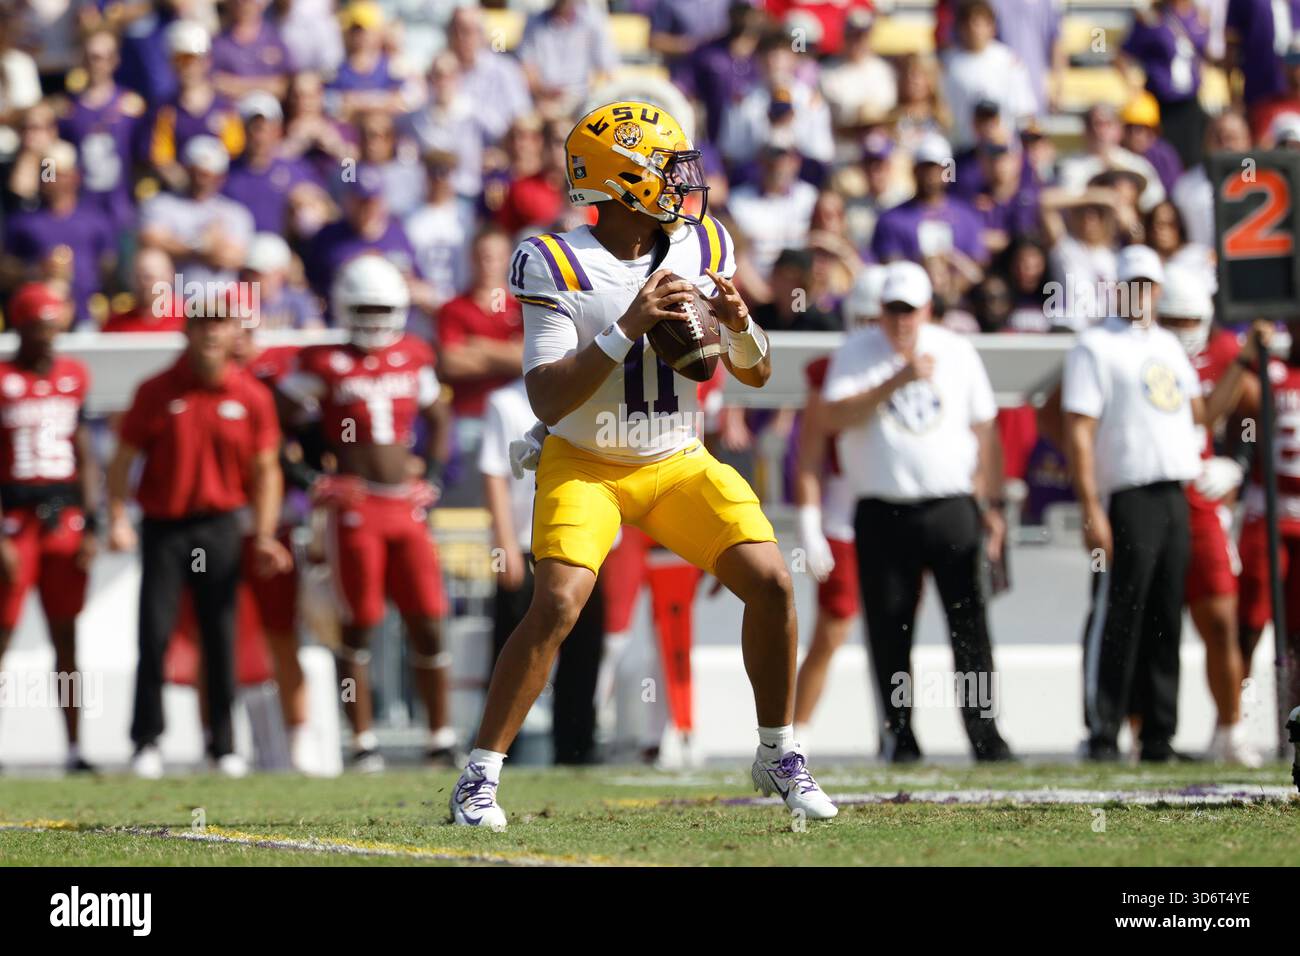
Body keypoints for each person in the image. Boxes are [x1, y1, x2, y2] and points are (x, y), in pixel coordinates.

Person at [449, 101, 837, 828]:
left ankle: (778, 751)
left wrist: (740, 324)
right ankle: (479, 775)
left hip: (677, 457)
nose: (683, 183)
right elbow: (547, 398)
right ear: (619, 180)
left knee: (774, 582)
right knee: (558, 602)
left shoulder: (706, 244)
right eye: (665, 169)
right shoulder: (553, 259)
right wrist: (629, 325)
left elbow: (753, 375)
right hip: (586, 460)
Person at [821, 261, 1012, 763]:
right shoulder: (856, 353)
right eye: (892, 310)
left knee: (969, 625)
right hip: (883, 511)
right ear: (880, 310)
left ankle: (985, 735)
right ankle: (898, 736)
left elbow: (985, 429)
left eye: (909, 311)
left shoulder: (957, 351)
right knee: (889, 629)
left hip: (951, 507)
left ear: (928, 310)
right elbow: (834, 417)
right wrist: (897, 380)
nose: (901, 321)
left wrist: (991, 504)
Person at [277, 254, 454, 771]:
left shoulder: (415, 354)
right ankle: (362, 741)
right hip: (357, 508)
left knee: (428, 618)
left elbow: (438, 416)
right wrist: (314, 479)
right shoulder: (322, 361)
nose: (375, 319)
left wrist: (435, 478)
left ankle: (440, 735)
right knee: (359, 623)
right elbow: (274, 425)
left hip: (404, 504)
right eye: (366, 307)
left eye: (383, 307)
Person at [107, 295, 291, 779]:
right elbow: (123, 459)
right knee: (154, 633)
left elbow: (266, 471)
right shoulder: (156, 389)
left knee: (221, 636)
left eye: (221, 323)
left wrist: (266, 533)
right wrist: (116, 516)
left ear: (235, 331)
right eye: (202, 322)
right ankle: (146, 740)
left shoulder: (251, 395)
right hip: (165, 527)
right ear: (186, 329)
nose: (211, 332)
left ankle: (223, 745)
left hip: (221, 526)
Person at [1060, 245, 1205, 761]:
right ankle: (1103, 730)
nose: (1139, 294)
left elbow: (1193, 411)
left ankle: (1158, 734)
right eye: (1131, 284)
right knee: (1118, 611)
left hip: (1172, 491)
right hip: (1126, 492)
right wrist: (1091, 506)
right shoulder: (1095, 346)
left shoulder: (1167, 343)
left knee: (1166, 612)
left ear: (1158, 290)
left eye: (1147, 285)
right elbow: (1079, 430)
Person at [1156, 264, 1268, 764]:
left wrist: (1238, 463)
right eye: (1173, 319)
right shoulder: (1135, 349)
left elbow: (1260, 410)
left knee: (1222, 616)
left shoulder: (1225, 351)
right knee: (1147, 624)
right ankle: (1140, 733)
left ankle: (1230, 728)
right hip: (1148, 493)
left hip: (1200, 498)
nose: (1184, 329)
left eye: (1191, 318)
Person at [479, 378, 605, 765]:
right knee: (515, 649)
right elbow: (495, 474)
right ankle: (499, 750)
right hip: (523, 542)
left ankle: (576, 747)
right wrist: (504, 542)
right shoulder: (505, 401)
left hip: (585, 544)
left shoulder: (597, 392)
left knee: (584, 651)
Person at [0, 283, 98, 773]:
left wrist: (94, 522)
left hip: (63, 516)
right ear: (18, 326)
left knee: (67, 636)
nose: (47, 337)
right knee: (3, 630)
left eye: (51, 326)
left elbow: (84, 452)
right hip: (14, 519)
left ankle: (76, 748)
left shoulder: (74, 376)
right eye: (38, 327)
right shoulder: (3, 379)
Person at [792, 266, 885, 742]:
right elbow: (809, 457)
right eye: (869, 317)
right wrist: (810, 527)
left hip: (899, 512)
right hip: (844, 517)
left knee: (895, 630)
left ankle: (893, 731)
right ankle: (796, 736)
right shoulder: (829, 370)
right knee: (831, 631)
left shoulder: (925, 360)